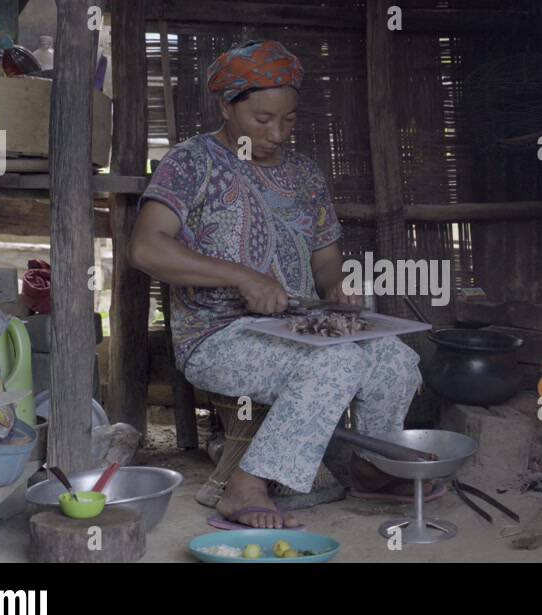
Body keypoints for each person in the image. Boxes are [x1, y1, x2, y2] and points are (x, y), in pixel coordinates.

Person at [129, 40, 440, 529]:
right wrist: (242, 277)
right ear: (225, 107)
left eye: (288, 119)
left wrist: (340, 285)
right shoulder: (190, 164)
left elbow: (326, 263)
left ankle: (373, 469)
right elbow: (146, 248)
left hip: (300, 327)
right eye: (262, 119)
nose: (277, 133)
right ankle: (246, 486)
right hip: (217, 337)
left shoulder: (305, 174)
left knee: (396, 358)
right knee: (335, 362)